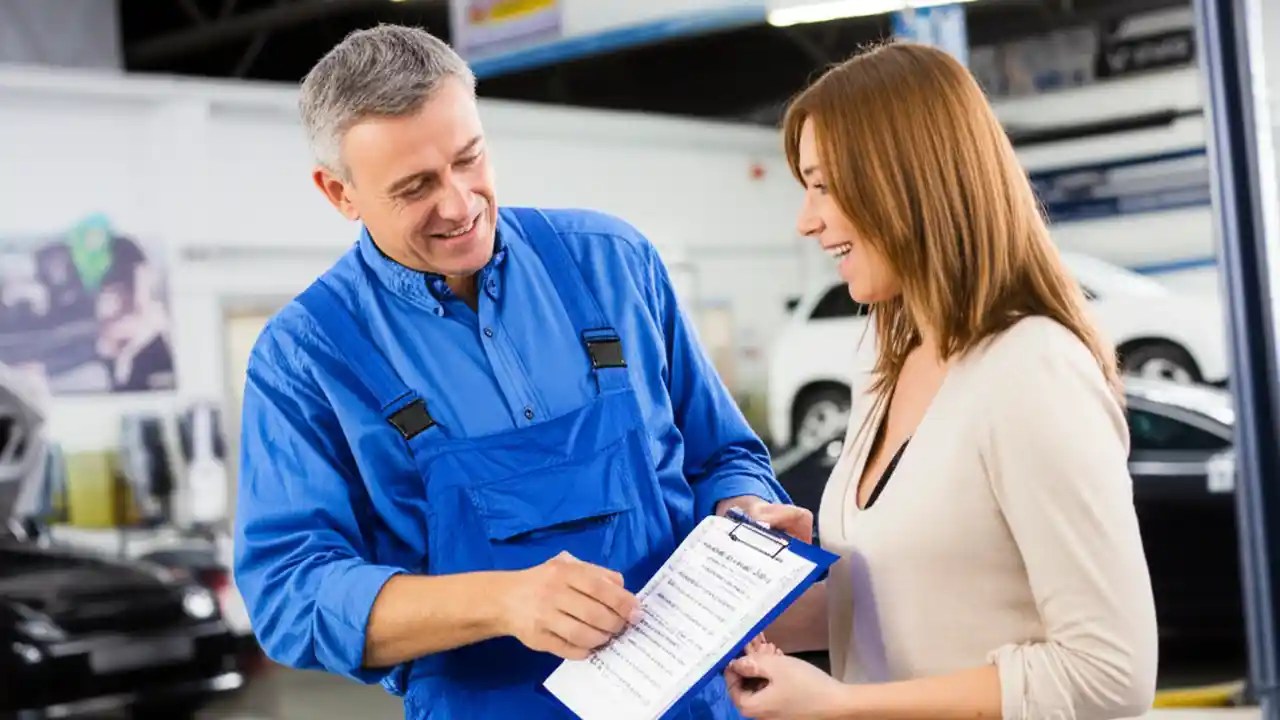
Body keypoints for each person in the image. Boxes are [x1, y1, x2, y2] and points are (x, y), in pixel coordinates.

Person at [232, 24, 809, 720]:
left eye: (469, 159)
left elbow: (726, 454)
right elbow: (290, 595)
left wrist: (743, 513)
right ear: (339, 192)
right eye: (415, 187)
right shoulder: (306, 357)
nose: (459, 203)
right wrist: (499, 601)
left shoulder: (613, 263)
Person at [724, 41, 1159, 720]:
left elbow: (1111, 676)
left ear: (905, 182)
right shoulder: (890, 361)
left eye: (824, 185)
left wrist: (841, 706)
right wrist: (778, 576)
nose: (806, 221)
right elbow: (910, 607)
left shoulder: (1032, 369)